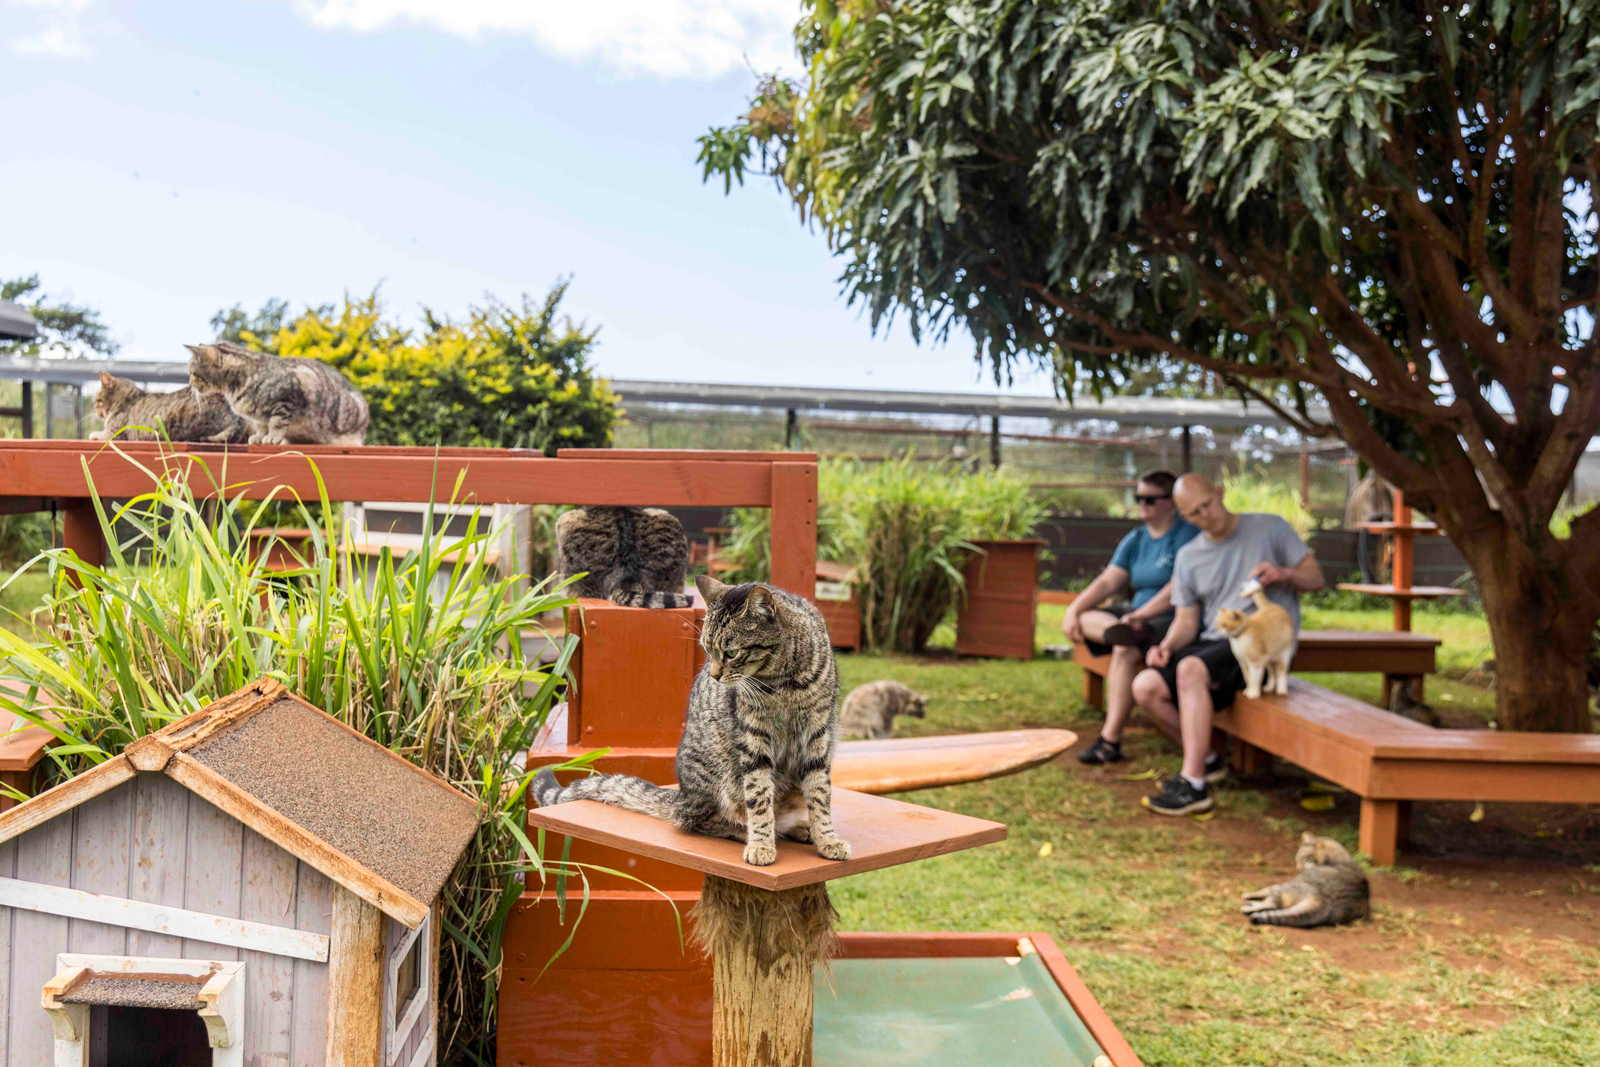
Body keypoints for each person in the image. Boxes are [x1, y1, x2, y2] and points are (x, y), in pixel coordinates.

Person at [1132, 473, 1325, 815]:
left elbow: (1316, 579)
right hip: (1214, 641)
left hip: (1261, 644)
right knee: (1145, 686)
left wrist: (1283, 574)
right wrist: (1167, 646)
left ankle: (1193, 785)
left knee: (1192, 669)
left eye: (1206, 505)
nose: (1204, 516)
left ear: (1219, 493)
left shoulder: (1270, 528)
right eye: (1192, 514)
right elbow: (1186, 621)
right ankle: (1207, 759)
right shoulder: (1190, 556)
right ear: (1183, 517)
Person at [1063, 470, 1200, 766]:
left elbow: (1180, 584)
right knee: (1087, 618)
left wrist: (1141, 614)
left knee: (1124, 650)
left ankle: (1110, 740)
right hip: (1134, 614)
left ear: (1171, 502)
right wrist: (1073, 609)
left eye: (1149, 499)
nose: (1142, 504)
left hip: (1173, 615)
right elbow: (1107, 581)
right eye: (1138, 498)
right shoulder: (1136, 538)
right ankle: (1130, 633)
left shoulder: (1186, 533)